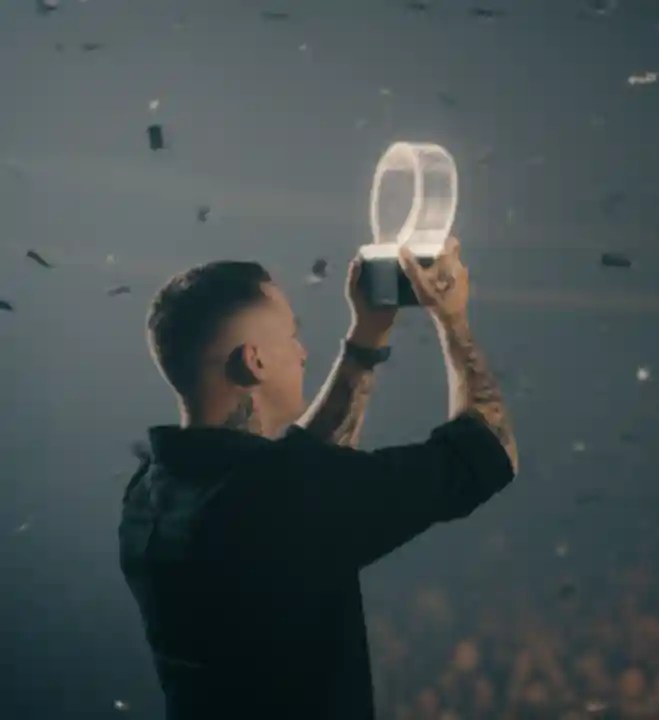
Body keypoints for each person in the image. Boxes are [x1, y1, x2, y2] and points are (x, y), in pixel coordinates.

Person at [118, 239, 519, 719]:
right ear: (255, 361)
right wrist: (452, 320)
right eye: (292, 336)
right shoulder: (283, 495)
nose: (303, 353)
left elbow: (297, 469)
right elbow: (489, 448)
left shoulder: (148, 494)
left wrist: (367, 336)